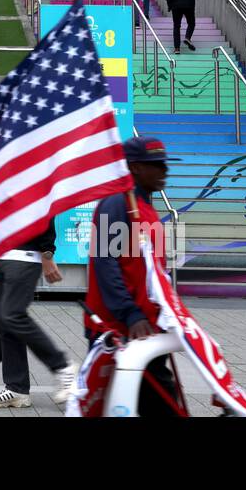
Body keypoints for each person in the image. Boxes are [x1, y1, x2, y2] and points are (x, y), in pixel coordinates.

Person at [84, 136, 185, 416]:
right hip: (122, 328)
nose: (165, 171)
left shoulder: (145, 206)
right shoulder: (116, 203)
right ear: (136, 168)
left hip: (146, 327)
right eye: (157, 165)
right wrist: (131, 314)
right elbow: (105, 262)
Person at [0, 218, 76, 409]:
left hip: (25, 256)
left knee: (12, 315)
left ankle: (64, 368)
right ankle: (17, 389)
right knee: (3, 322)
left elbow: (45, 208)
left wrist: (47, 254)